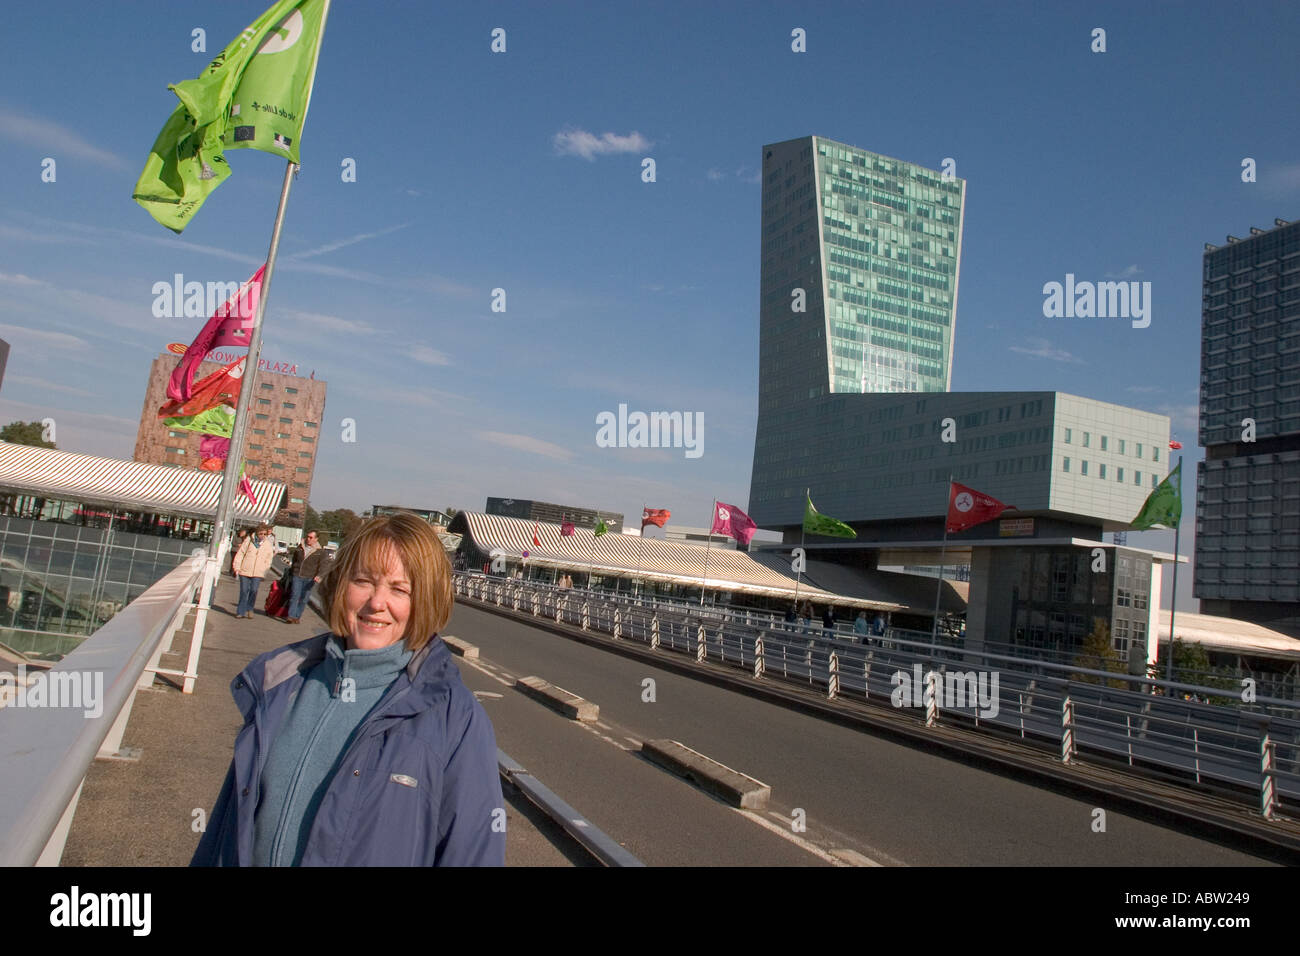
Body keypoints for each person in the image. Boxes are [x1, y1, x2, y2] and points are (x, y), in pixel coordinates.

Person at [193, 511, 505, 866]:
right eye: (363, 581)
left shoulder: (455, 719)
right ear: (340, 585)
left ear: (426, 601)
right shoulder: (283, 686)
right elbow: (223, 830)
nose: (376, 602)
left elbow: (473, 851)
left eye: (400, 589)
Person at [285, 529, 329, 624]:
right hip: (297, 575)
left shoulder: (320, 551)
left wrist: (319, 575)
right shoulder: (300, 547)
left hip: (310, 578)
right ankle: (290, 616)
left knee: (304, 598)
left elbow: (324, 565)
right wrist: (293, 571)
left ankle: (297, 616)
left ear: (316, 539)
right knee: (295, 595)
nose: (308, 539)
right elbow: (295, 559)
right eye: (308, 536)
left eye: (311, 537)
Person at [233, 525, 276, 618]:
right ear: (256, 533)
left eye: (264, 534)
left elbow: (269, 558)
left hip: (258, 572)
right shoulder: (248, 541)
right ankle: (241, 611)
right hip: (245, 570)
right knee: (244, 591)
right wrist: (237, 567)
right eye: (261, 533)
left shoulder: (267, 544)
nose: (262, 536)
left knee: (254, 590)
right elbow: (240, 553)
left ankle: (250, 608)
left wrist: (265, 570)